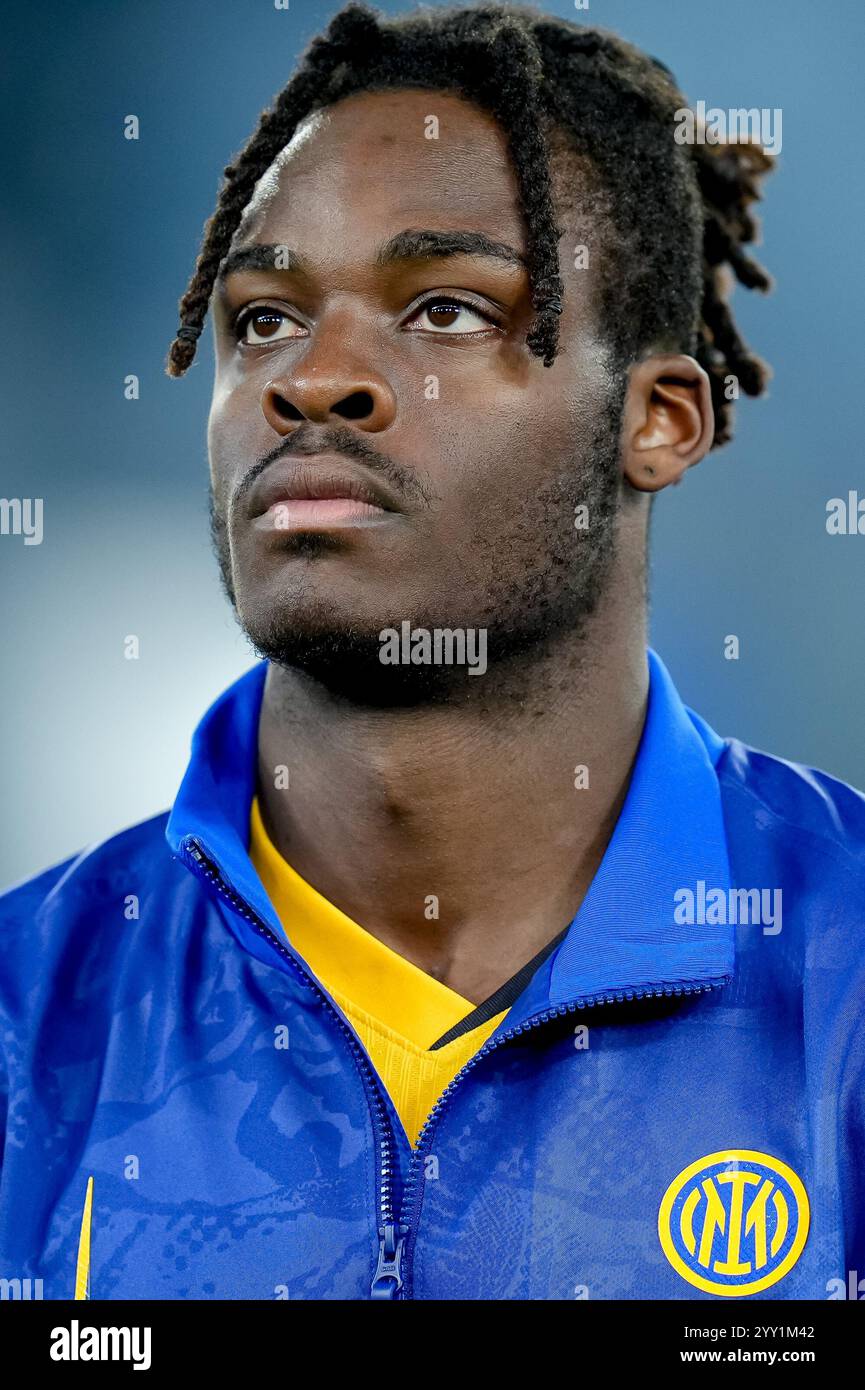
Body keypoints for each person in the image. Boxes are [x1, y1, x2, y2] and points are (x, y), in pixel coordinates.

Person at [1, 2, 863, 1302]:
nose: (312, 378)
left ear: (660, 420)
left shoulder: (840, 970)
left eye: (447, 310)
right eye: (259, 318)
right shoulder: (30, 1011)